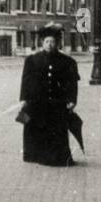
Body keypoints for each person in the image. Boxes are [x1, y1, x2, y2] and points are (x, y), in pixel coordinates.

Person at [19, 22, 79, 166]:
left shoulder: (67, 62)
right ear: (42, 43)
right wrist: (23, 98)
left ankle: (57, 157)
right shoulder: (32, 60)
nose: (50, 44)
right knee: (36, 128)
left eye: (52, 42)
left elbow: (72, 83)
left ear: (57, 43)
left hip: (57, 102)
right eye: (47, 41)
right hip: (37, 102)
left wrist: (72, 100)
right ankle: (36, 155)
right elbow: (25, 80)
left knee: (57, 130)